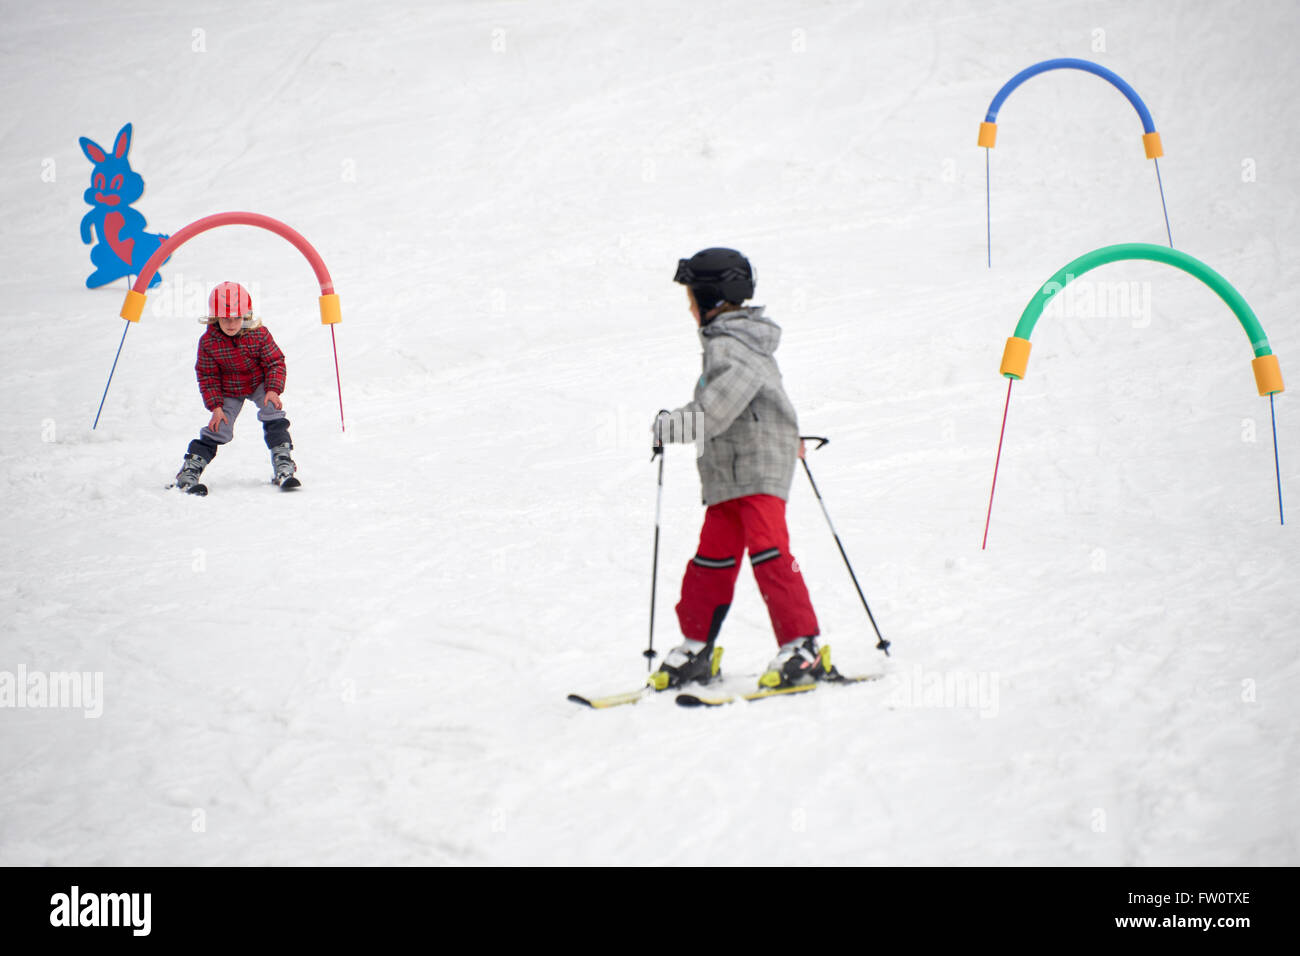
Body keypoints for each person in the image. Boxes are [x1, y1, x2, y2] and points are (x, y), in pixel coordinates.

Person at [650, 248, 833, 690]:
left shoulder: (734, 347)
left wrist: (669, 425)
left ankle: (803, 646)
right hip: (727, 476)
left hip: (757, 469)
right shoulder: (726, 345)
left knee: (770, 553)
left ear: (712, 297)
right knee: (710, 562)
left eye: (692, 297)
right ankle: (697, 646)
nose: (690, 307)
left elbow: (716, 410)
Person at [173, 282, 299, 493]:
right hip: (229, 389)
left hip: (258, 383)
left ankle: (283, 463)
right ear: (215, 317)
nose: (231, 324)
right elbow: (208, 376)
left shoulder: (258, 334)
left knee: (272, 409)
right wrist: (216, 407)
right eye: (225, 319)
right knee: (220, 427)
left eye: (236, 318)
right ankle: (190, 470)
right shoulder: (209, 342)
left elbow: (275, 362)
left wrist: (272, 389)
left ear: (246, 315)